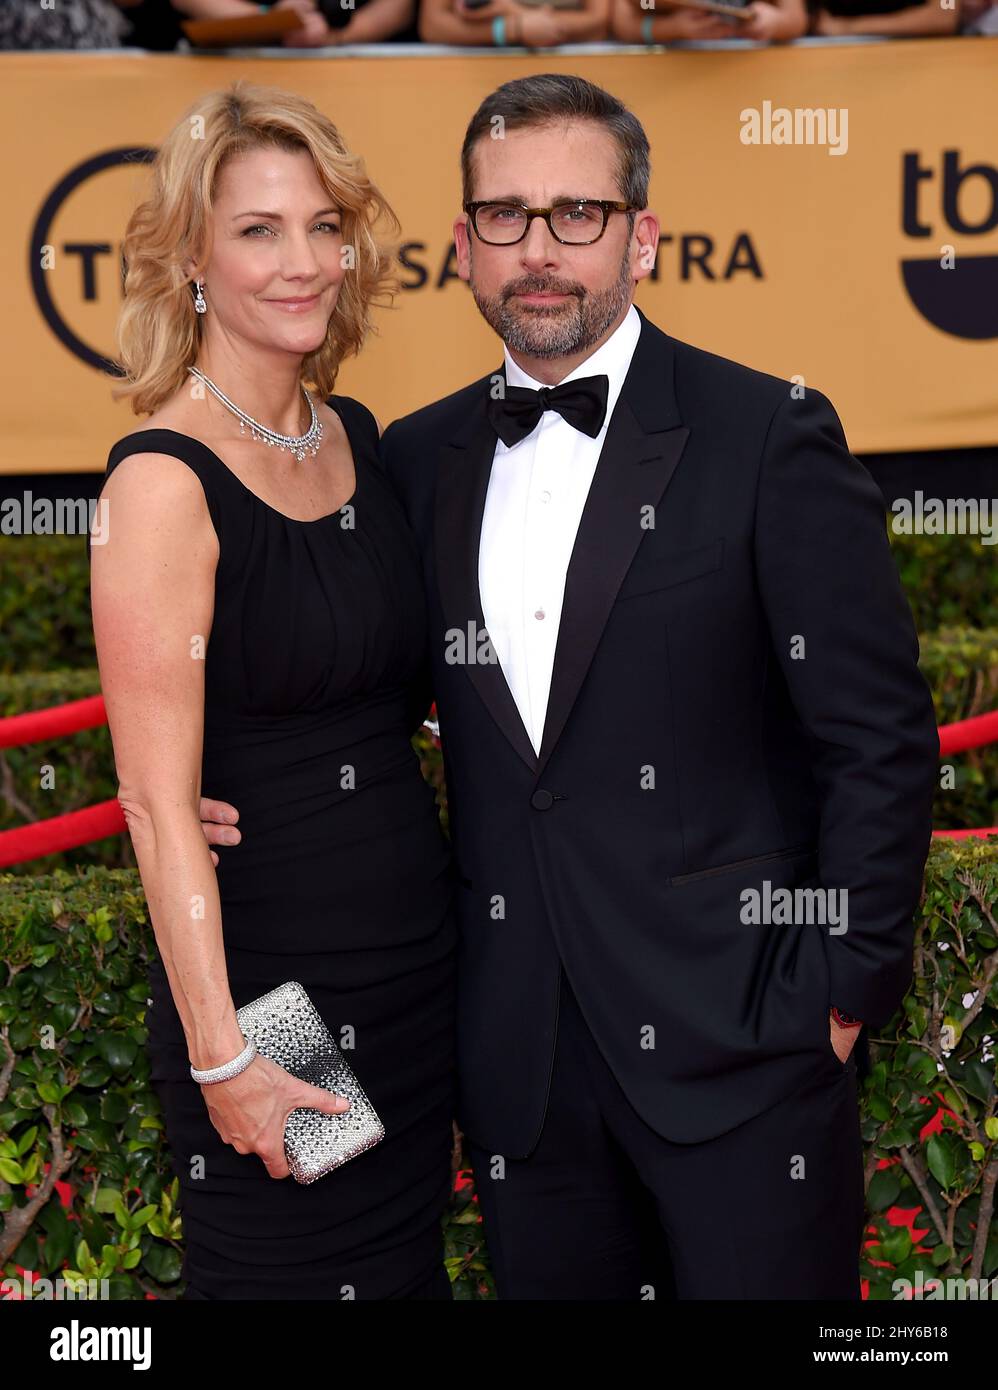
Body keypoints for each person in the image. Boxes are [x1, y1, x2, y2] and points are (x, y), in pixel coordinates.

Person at [200, 73, 940, 1299]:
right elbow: (349, 704)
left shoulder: (766, 433)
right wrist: (226, 800)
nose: (536, 252)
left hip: (743, 1050)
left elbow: (877, 742)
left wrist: (837, 997)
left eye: (575, 215)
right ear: (460, 247)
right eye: (502, 216)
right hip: (520, 1072)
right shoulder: (415, 456)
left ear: (642, 237)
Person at [88, 80, 457, 1301]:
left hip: (418, 971)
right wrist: (224, 1053)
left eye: (321, 226)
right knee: (295, 1277)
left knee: (398, 1277)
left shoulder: (359, 437)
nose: (302, 262)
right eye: (257, 230)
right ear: (190, 257)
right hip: (275, 993)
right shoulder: (161, 482)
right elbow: (153, 802)